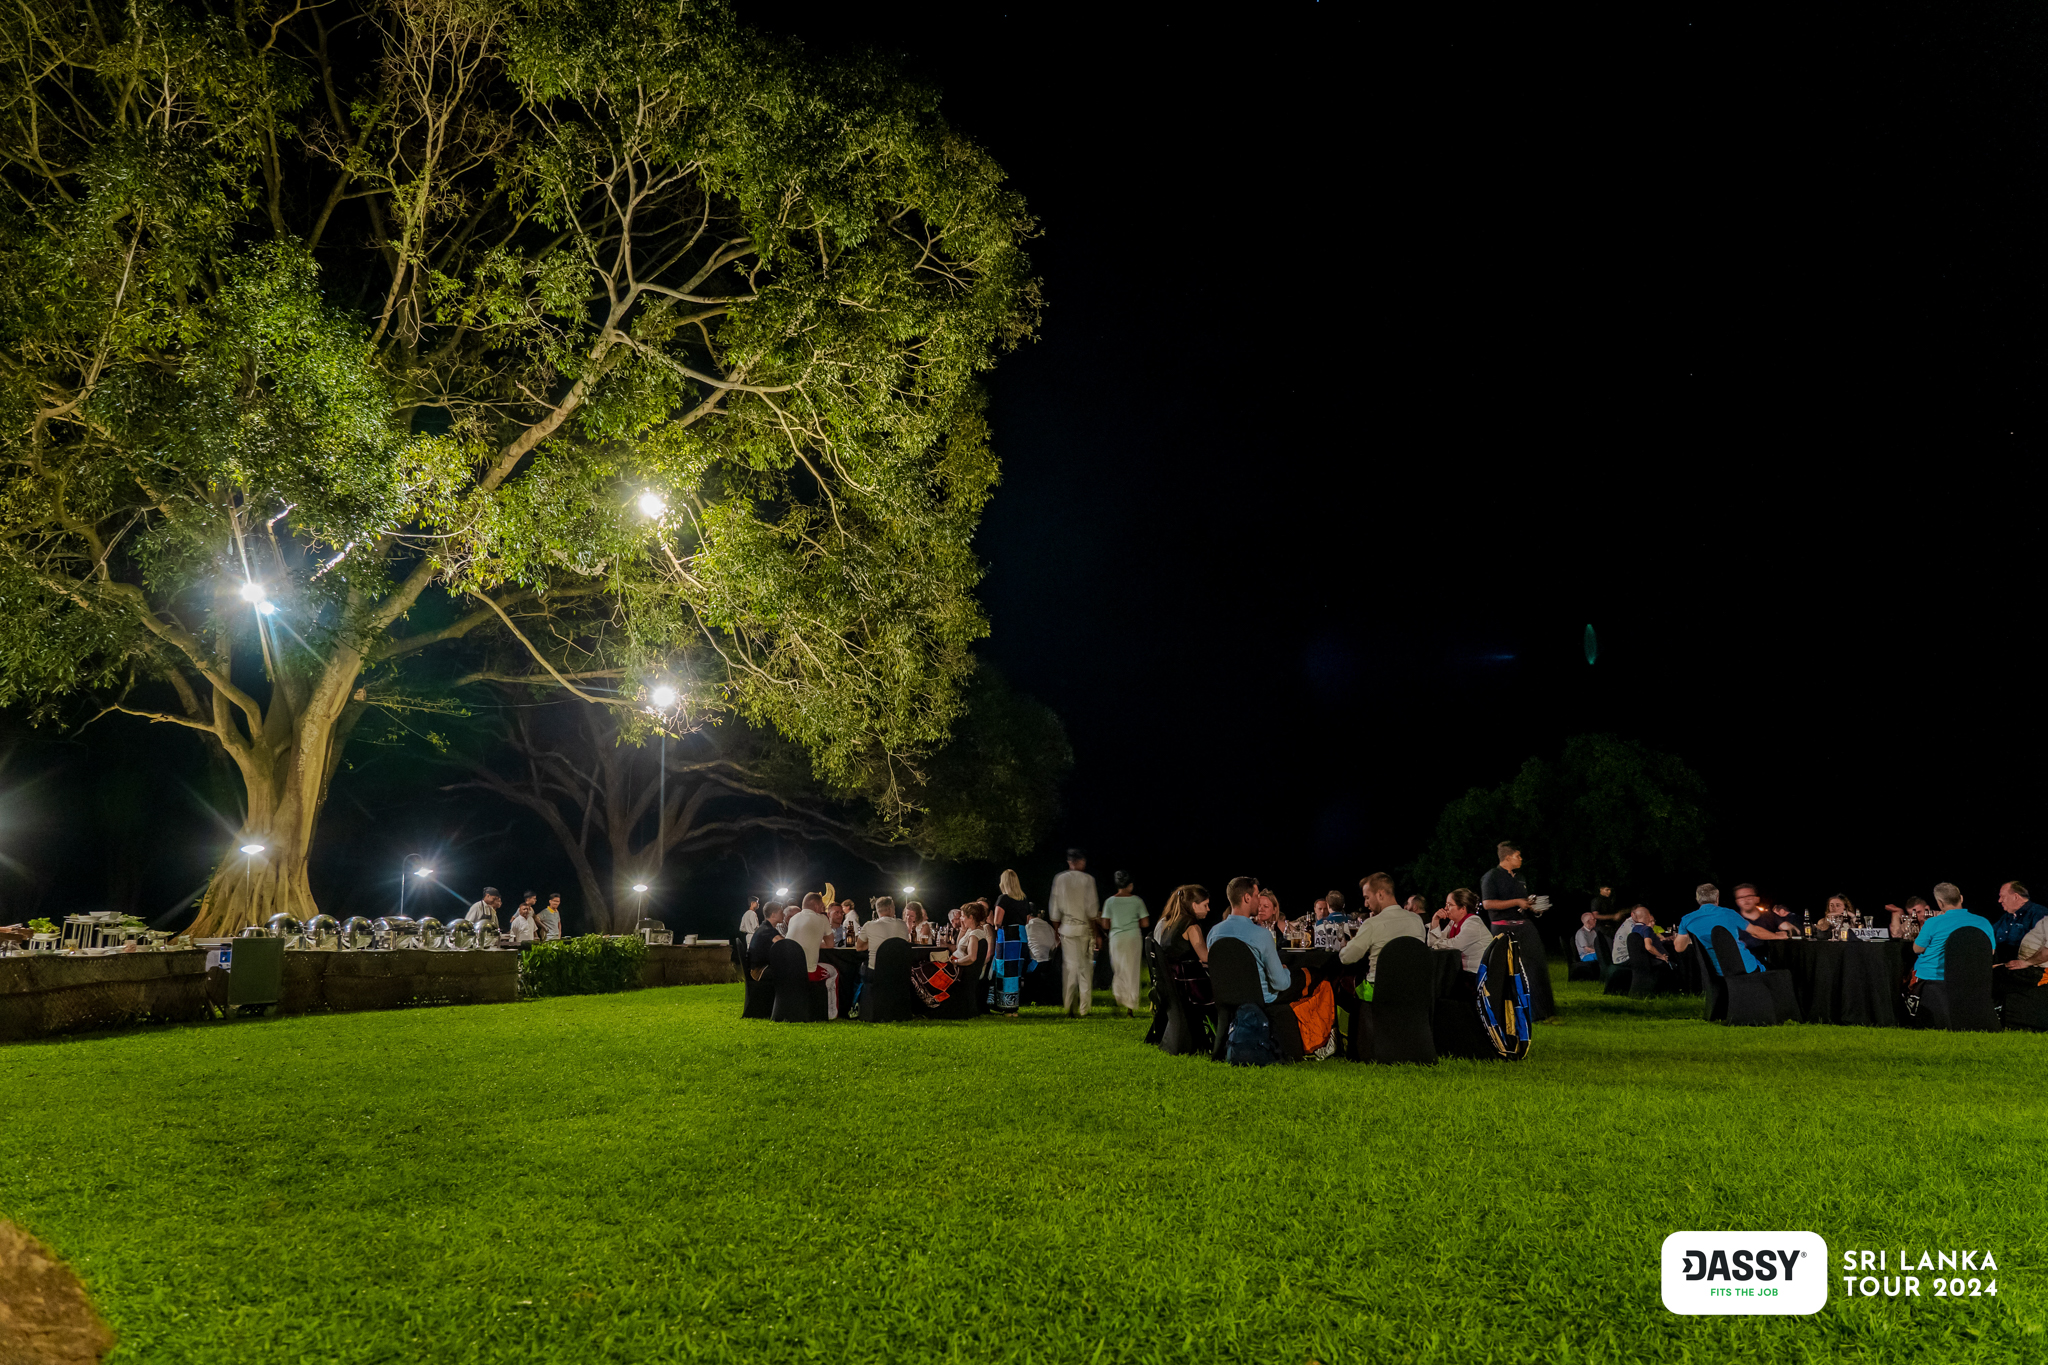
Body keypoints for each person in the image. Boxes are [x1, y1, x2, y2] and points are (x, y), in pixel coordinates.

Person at [1479, 842, 1553, 1019]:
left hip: (1524, 925)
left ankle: (1541, 1011)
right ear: (1507, 857)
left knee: (1536, 965)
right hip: (1503, 927)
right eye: (1518, 856)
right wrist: (1517, 902)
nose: (1521, 859)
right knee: (1507, 969)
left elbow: (1523, 901)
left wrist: (1532, 906)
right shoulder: (1491, 877)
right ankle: (1505, 1009)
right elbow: (1488, 903)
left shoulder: (1520, 877)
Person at [1913, 883, 1996, 1020]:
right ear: (1961, 898)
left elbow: (1917, 949)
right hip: (1971, 977)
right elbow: (1990, 952)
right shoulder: (1983, 922)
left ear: (1940, 903)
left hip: (1935, 978)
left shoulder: (1933, 922)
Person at [1339, 872, 1425, 993]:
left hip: (1380, 991)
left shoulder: (1372, 924)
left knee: (1343, 983)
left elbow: (1346, 958)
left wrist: (1345, 946)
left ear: (1380, 895)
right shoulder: (1417, 920)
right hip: (1413, 990)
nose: (1365, 904)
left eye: (1367, 897)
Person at [1048, 848, 1101, 1016]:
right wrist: (1096, 933)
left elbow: (1054, 908)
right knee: (1085, 968)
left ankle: (1069, 1003)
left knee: (1070, 967)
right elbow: (1092, 910)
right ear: (1080, 861)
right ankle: (1085, 1007)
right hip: (1083, 927)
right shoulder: (1087, 880)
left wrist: (1056, 931)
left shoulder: (1060, 879)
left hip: (1067, 928)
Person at [1672, 884, 1761, 974]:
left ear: (1697, 899)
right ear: (1717, 898)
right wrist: (1775, 936)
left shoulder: (1687, 920)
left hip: (1713, 973)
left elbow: (1679, 948)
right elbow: (1756, 932)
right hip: (1745, 969)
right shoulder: (1729, 913)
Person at [784, 892, 841, 1018]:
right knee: (834, 972)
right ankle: (832, 1013)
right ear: (816, 905)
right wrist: (817, 942)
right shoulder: (822, 919)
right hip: (808, 972)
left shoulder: (793, 918)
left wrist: (814, 941)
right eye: (822, 905)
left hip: (789, 969)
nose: (823, 909)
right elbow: (830, 944)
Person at [988, 870, 1037, 1016]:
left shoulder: (1003, 898)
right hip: (1021, 937)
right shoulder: (1023, 898)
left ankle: (1006, 1006)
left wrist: (992, 924)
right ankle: (1014, 1006)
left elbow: (997, 921)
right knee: (1016, 973)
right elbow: (1028, 919)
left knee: (1004, 971)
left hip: (1007, 938)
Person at [1101, 872, 1150, 1016]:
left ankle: (1119, 996)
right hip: (1133, 937)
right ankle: (1130, 1006)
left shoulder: (1109, 901)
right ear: (1130, 885)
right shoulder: (1137, 901)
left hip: (1117, 937)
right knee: (1132, 970)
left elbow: (1104, 924)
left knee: (1118, 968)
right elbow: (1145, 922)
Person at [1428, 888, 1490, 977]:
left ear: (1462, 908)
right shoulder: (1453, 923)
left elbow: (1455, 946)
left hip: (1477, 974)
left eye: (1449, 905)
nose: (1445, 908)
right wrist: (1435, 920)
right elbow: (1432, 945)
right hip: (1463, 972)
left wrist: (1436, 943)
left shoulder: (1473, 923)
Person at [1987, 881, 2048, 955]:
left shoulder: (2039, 914)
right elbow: (1989, 934)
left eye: (2002, 896)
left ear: (2016, 897)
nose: (1999, 900)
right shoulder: (2006, 917)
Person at [746, 906, 784, 978]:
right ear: (773, 914)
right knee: (790, 971)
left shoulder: (764, 927)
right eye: (781, 912)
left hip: (757, 968)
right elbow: (784, 944)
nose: (783, 915)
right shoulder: (767, 930)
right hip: (759, 971)